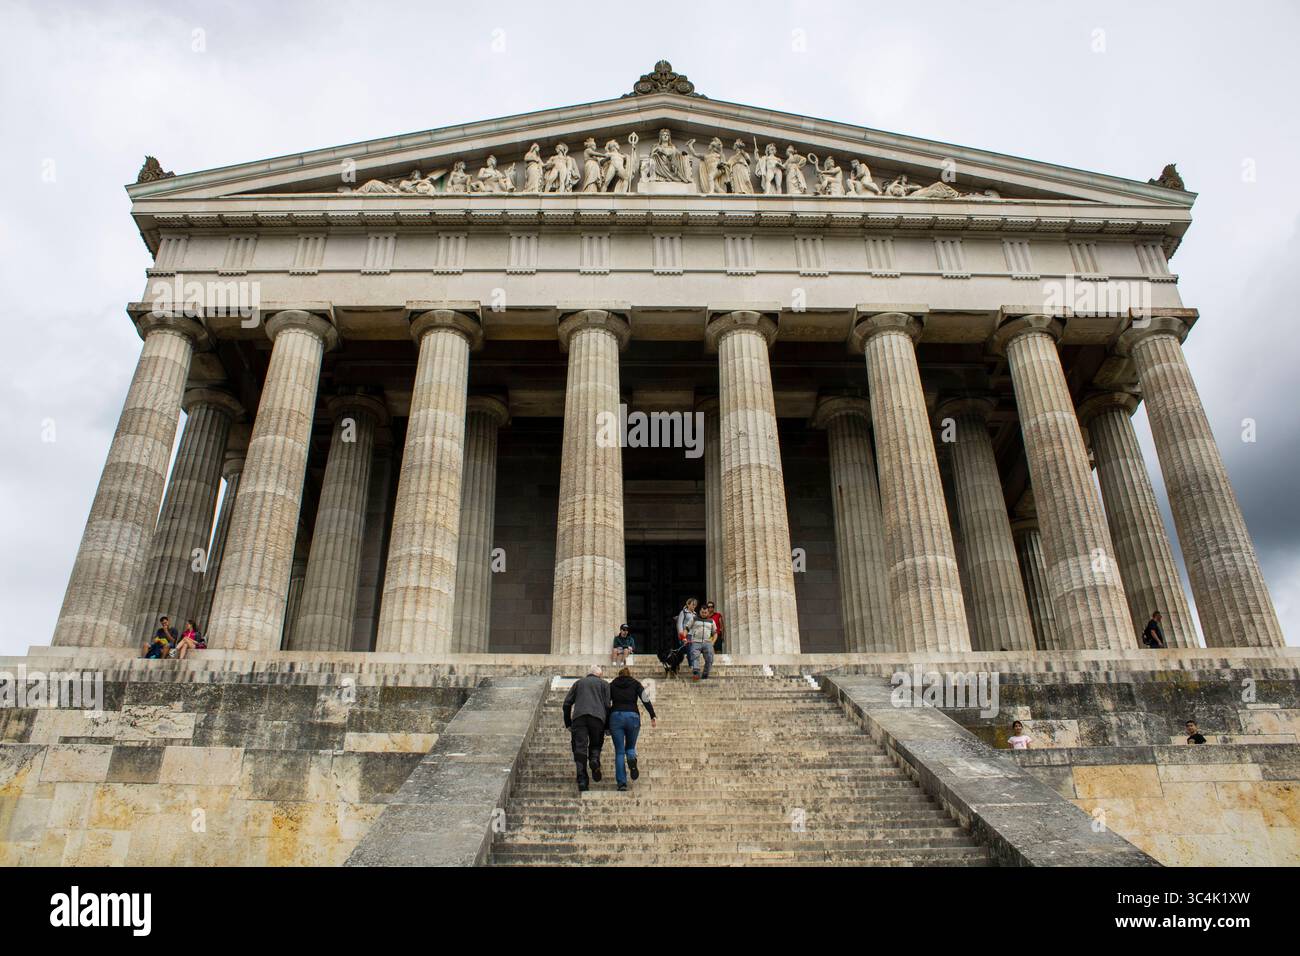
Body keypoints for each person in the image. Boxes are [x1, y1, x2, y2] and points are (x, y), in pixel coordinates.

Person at [562, 665, 612, 792]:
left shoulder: (578, 683)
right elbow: (607, 706)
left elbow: (567, 703)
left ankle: (582, 779)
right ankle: (594, 759)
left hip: (579, 718)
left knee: (579, 748)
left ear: (589, 674)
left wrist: (568, 723)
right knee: (596, 743)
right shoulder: (604, 684)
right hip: (597, 718)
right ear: (599, 675)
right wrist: (607, 726)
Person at [608, 667, 657, 791]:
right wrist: (652, 714)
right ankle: (631, 757)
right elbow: (645, 699)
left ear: (619, 675)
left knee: (619, 752)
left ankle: (622, 783)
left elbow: (606, 702)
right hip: (632, 716)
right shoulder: (635, 683)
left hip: (616, 716)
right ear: (630, 675)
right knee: (630, 746)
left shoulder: (612, 684)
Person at [686, 615, 716, 682]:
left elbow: (715, 633)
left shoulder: (711, 621)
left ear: (707, 612)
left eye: (705, 612)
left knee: (709, 659)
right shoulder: (694, 619)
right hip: (696, 641)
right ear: (700, 611)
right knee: (695, 656)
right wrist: (684, 637)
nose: (704, 614)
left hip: (707, 642)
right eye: (702, 612)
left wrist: (713, 642)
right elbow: (687, 628)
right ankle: (696, 673)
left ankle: (705, 674)